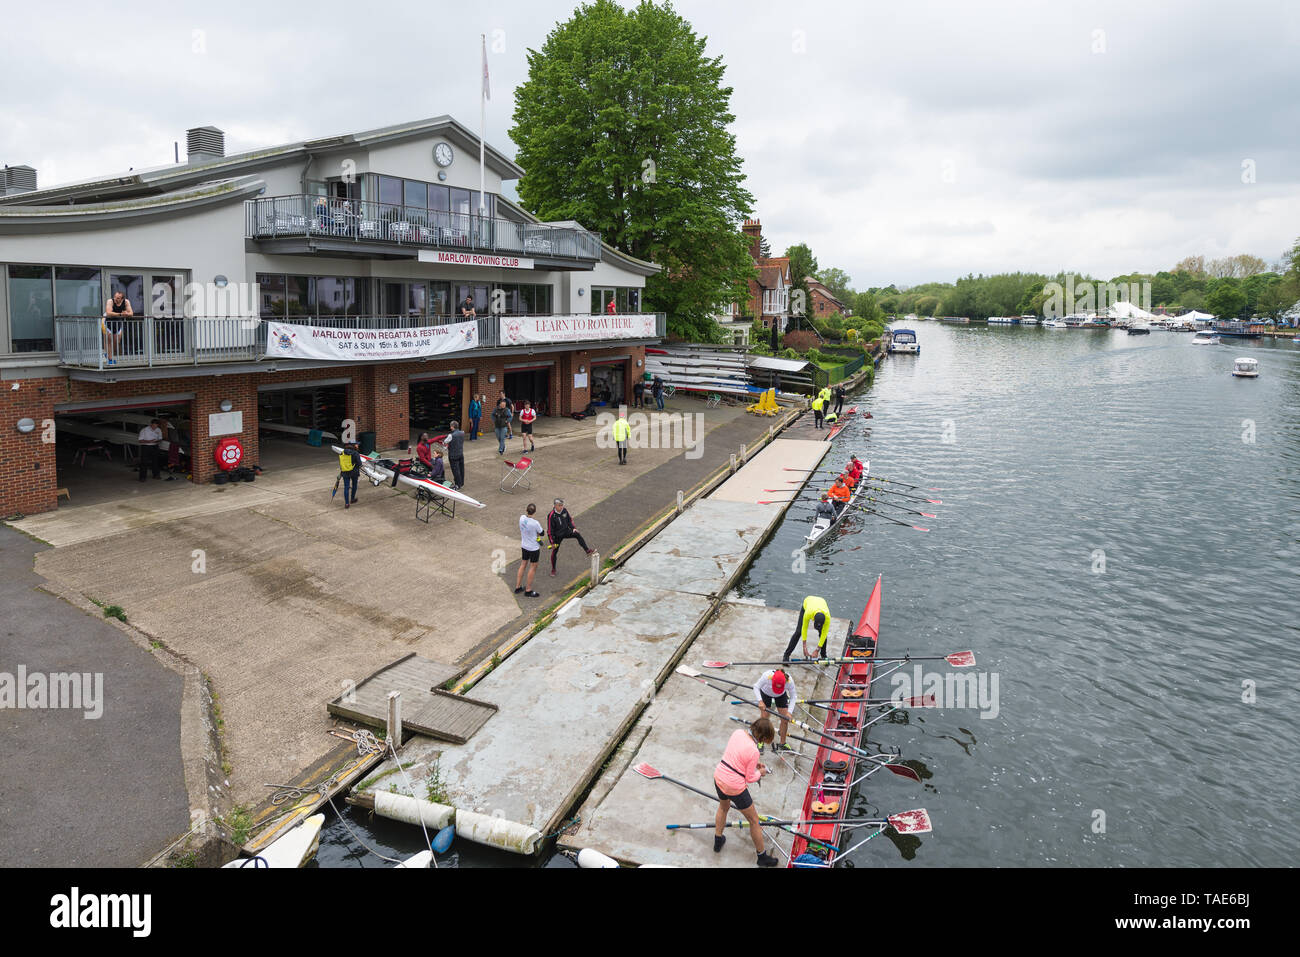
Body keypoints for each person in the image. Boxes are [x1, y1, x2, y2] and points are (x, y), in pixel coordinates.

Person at [713, 716, 779, 867]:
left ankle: (718, 840)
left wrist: (755, 764)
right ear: (762, 737)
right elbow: (750, 778)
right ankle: (762, 857)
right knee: (754, 821)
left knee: (723, 808)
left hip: (719, 775)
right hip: (735, 786)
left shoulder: (738, 732)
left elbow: (737, 755)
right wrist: (760, 772)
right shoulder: (754, 751)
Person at [547, 498, 593, 576]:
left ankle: (587, 550)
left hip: (566, 531)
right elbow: (549, 530)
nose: (561, 507)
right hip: (557, 536)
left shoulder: (565, 510)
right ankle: (553, 569)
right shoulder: (551, 515)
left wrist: (573, 528)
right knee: (554, 552)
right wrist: (552, 542)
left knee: (577, 534)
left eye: (562, 505)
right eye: (559, 505)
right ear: (555, 506)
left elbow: (569, 520)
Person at [753, 668, 796, 751]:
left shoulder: (789, 681)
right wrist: (760, 701)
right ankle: (760, 741)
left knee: (785, 719)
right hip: (766, 694)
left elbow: (794, 697)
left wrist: (789, 712)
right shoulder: (767, 676)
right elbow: (756, 686)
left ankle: (782, 743)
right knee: (764, 718)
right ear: (772, 680)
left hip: (781, 695)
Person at [783, 595, 831, 662]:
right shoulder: (808, 613)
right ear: (813, 619)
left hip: (821, 602)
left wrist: (817, 650)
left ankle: (823, 655)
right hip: (808, 602)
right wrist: (804, 647)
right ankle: (786, 655)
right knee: (798, 632)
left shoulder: (827, 618)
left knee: (822, 634)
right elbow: (804, 628)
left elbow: (824, 634)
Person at [515, 503, 544, 598]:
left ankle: (518, 586)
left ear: (526, 510)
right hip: (533, 548)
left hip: (524, 546)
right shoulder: (535, 523)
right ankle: (528, 590)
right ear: (534, 512)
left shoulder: (522, 518)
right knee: (532, 568)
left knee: (523, 564)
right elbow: (542, 532)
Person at [102, 290, 132, 365]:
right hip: (107, 321)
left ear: (122, 299)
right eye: (115, 297)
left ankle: (107, 353)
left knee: (116, 341)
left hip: (117, 322)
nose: (115, 299)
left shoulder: (126, 302)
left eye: (118, 298)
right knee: (109, 340)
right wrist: (121, 314)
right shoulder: (110, 301)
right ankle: (110, 359)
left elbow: (131, 313)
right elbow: (108, 313)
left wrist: (126, 314)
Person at [441, 421, 466, 489]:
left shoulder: (451, 435)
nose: (450, 427)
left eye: (450, 426)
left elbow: (445, 442)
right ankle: (461, 483)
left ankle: (457, 485)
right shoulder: (462, 433)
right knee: (461, 469)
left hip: (453, 455)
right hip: (460, 454)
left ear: (452, 427)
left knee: (456, 470)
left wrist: (445, 446)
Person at [339, 440, 361, 509]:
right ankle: (352, 499)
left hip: (345, 472)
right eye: (357, 444)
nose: (358, 445)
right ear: (354, 445)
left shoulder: (342, 452)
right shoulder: (355, 453)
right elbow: (360, 464)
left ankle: (346, 503)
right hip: (354, 472)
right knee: (354, 485)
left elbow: (341, 462)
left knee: (346, 487)